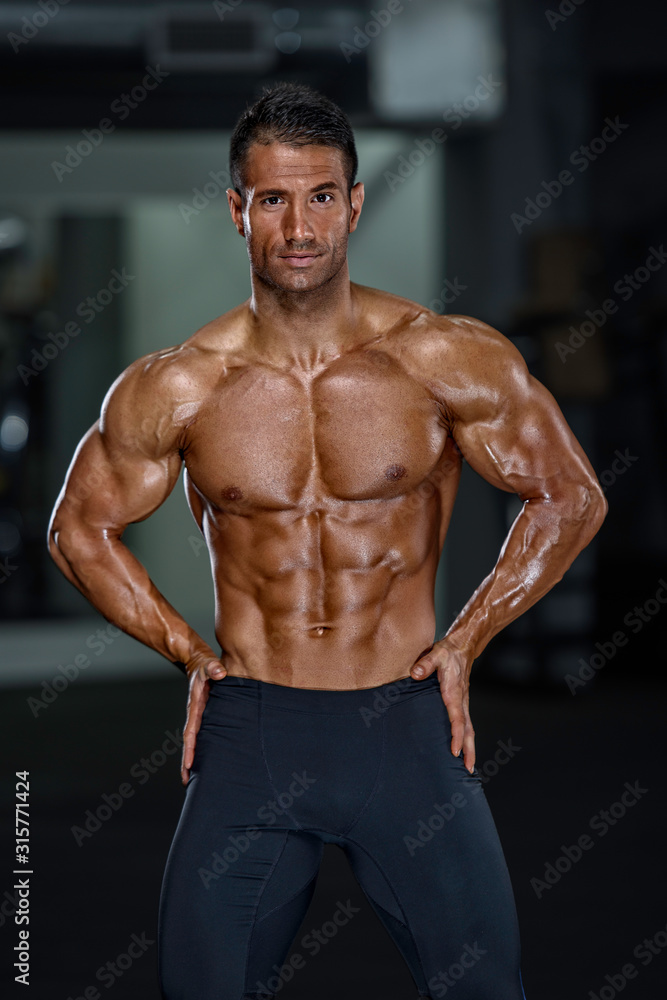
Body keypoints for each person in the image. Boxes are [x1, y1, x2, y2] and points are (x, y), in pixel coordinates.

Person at [48, 82, 607, 1000]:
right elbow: (79, 530)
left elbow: (569, 495)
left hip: (406, 724)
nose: (299, 226)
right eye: (273, 199)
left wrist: (467, 640)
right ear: (238, 210)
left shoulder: (441, 357)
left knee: (484, 989)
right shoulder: (180, 385)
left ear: (353, 203)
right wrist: (188, 653)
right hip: (251, 730)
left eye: (319, 197)